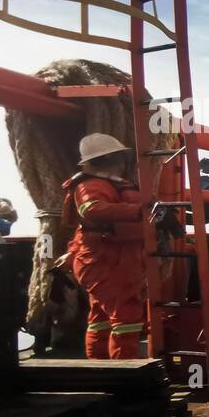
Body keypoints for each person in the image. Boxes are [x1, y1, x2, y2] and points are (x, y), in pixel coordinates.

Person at [59, 134, 146, 359]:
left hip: (110, 261)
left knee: (100, 319)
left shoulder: (110, 184)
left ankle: (99, 368)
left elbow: (83, 230)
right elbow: (92, 209)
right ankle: (123, 375)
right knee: (126, 318)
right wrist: (139, 212)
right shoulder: (91, 185)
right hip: (104, 263)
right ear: (109, 159)